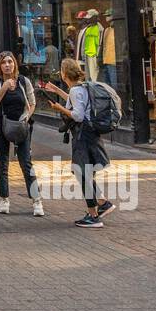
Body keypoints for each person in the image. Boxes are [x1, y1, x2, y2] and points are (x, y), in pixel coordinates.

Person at [42, 58, 119, 228]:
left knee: (82, 173)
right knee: (85, 173)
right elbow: (75, 100)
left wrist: (58, 108)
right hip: (90, 135)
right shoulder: (80, 88)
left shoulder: (77, 91)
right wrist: (56, 91)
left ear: (64, 74)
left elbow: (77, 115)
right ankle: (102, 202)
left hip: (83, 136)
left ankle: (93, 216)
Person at [0, 51, 43, 217]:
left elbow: (32, 103)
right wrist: (3, 88)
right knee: (2, 164)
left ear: (15, 64)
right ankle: (4, 199)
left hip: (20, 127)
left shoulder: (24, 81)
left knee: (26, 163)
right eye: (4, 62)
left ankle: (36, 200)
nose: (8, 65)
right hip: (0, 127)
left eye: (10, 62)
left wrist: (26, 117)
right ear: (0, 66)